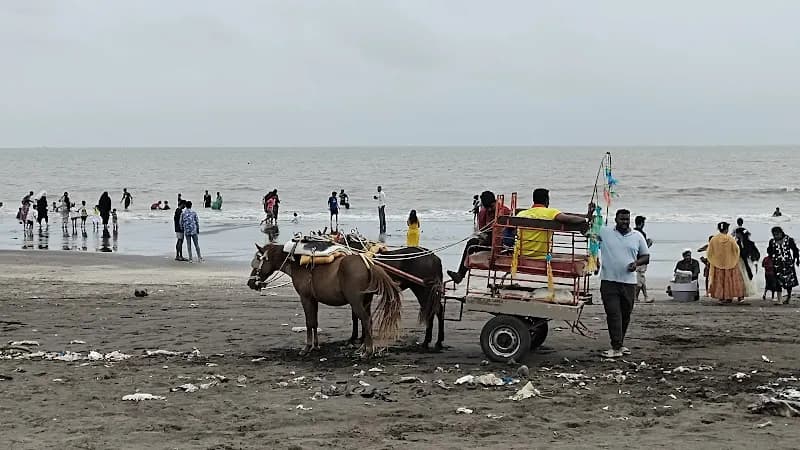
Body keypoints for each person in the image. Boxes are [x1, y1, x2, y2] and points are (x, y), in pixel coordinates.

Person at [597, 209, 650, 358]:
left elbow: (645, 256)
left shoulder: (637, 236)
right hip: (609, 281)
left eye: (627, 219)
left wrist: (636, 263)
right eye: (622, 219)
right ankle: (616, 347)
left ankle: (619, 343)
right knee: (613, 314)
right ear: (616, 219)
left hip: (628, 283)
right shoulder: (605, 232)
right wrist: (591, 212)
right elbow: (589, 230)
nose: (625, 222)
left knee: (625, 314)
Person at [447, 191, 511, 284]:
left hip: (502, 242)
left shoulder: (504, 211)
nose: (489, 209)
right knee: (471, 243)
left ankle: (460, 274)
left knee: (475, 243)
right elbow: (482, 229)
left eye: (491, 207)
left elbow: (509, 230)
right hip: (488, 239)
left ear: (495, 202)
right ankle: (460, 274)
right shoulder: (483, 212)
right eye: (487, 207)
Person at [516, 188, 592, 259]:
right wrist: (584, 219)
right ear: (546, 201)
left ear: (534, 200)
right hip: (541, 255)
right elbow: (568, 219)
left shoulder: (521, 214)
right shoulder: (550, 212)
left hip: (521, 253)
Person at [707, 222, 746, 304]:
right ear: (726, 229)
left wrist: (714, 260)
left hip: (718, 264)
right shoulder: (730, 239)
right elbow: (736, 250)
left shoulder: (714, 239)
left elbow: (710, 252)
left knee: (720, 281)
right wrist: (734, 258)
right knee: (733, 280)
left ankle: (722, 297)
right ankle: (737, 296)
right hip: (731, 263)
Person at [767, 226, 799, 304]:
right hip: (777, 264)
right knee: (777, 281)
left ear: (781, 233)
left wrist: (796, 260)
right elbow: (769, 252)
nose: (776, 236)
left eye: (777, 234)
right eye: (774, 235)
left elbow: (795, 250)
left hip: (788, 264)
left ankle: (788, 296)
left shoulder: (789, 240)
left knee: (789, 282)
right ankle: (780, 300)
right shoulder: (772, 242)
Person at [633, 216, 655, 303]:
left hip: (635, 257)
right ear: (642, 223)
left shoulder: (632, 232)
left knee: (641, 278)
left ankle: (645, 296)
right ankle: (635, 297)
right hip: (641, 259)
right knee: (640, 279)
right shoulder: (641, 233)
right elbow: (642, 247)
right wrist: (649, 243)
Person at [735, 228, 760, 299]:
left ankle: (743, 294)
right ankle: (740, 295)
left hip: (748, 263)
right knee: (740, 278)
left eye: (737, 233)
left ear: (740, 234)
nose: (736, 235)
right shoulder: (736, 243)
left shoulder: (750, 243)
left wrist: (754, 261)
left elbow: (756, 253)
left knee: (746, 278)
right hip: (739, 262)